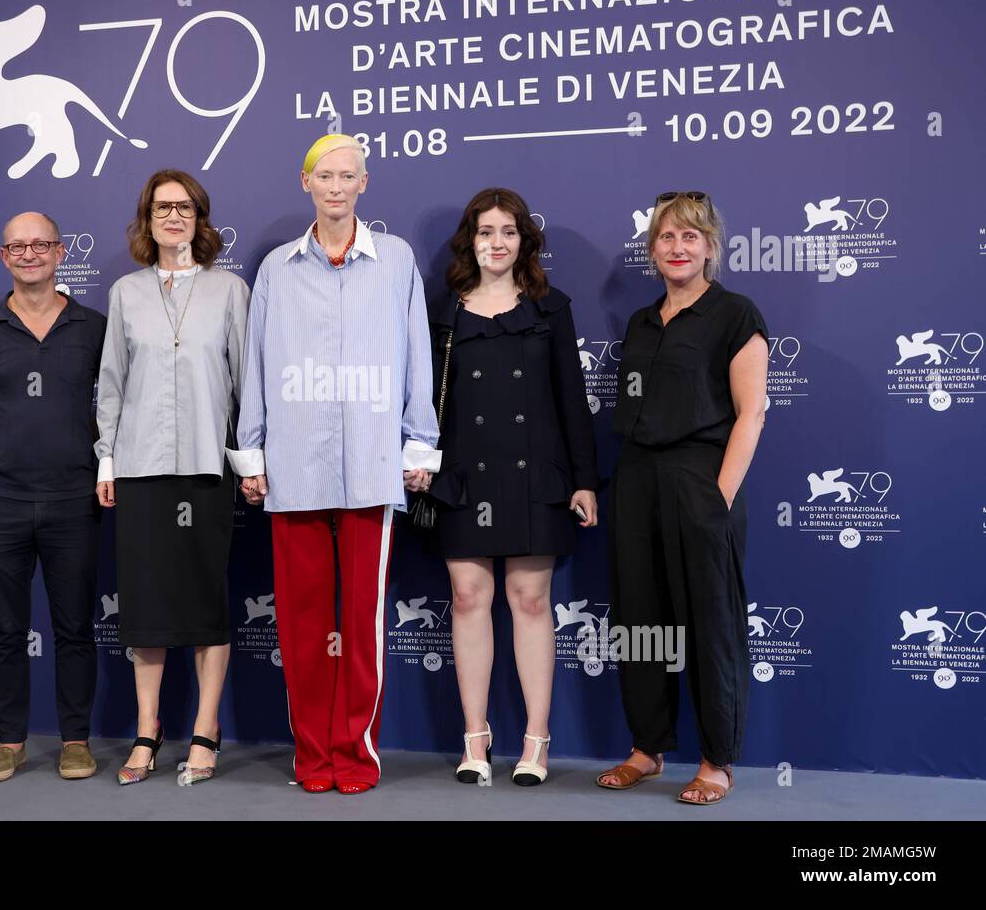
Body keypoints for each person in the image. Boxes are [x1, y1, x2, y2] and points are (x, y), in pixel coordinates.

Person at [230, 133, 439, 795]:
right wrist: (252, 453)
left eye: (349, 175)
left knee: (361, 624)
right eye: (326, 175)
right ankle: (312, 756)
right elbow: (256, 368)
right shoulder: (276, 269)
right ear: (307, 184)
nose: (338, 186)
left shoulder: (397, 261)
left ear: (364, 185)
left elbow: (416, 359)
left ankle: (355, 754)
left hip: (373, 467)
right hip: (295, 466)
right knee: (301, 623)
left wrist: (418, 444)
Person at [596, 191, 768, 804]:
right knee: (641, 623)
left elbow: (751, 415)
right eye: (667, 237)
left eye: (690, 237)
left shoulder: (735, 314)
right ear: (653, 249)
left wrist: (717, 500)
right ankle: (647, 749)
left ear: (710, 248)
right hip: (637, 479)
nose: (678, 247)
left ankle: (717, 760)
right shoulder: (643, 322)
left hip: (703, 479)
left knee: (708, 625)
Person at [427, 188, 599, 787]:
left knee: (530, 601)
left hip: (537, 474)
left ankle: (536, 741)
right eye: (484, 232)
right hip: (463, 476)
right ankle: (475, 739)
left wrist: (584, 480)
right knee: (469, 599)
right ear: (468, 241)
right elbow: (422, 406)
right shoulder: (442, 313)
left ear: (524, 240)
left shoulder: (551, 309)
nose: (496, 243)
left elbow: (572, 401)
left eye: (507, 231)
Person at [0, 211, 107, 783]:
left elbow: (115, 406)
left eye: (40, 244)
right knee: (5, 628)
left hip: (74, 500)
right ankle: (9, 744)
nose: (29, 253)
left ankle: (76, 742)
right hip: (0, 503)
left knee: (75, 627)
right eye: (17, 246)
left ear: (61, 253)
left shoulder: (94, 326)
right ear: (3, 256)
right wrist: (3, 442)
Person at [94, 169, 249, 786]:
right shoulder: (125, 292)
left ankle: (206, 732)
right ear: (146, 219)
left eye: (185, 208)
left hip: (209, 469)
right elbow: (111, 382)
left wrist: (250, 461)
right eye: (162, 208)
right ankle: (147, 731)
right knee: (147, 608)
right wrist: (107, 458)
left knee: (207, 602)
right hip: (140, 470)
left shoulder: (230, 290)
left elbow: (247, 386)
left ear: (201, 218)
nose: (174, 217)